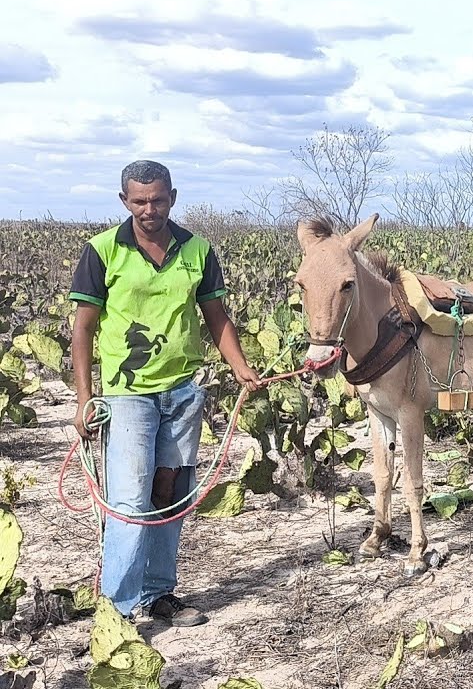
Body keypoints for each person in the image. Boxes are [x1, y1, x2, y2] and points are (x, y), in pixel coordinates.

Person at [69, 160, 262, 626]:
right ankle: (117, 608)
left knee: (170, 494)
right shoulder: (102, 251)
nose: (149, 208)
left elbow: (215, 315)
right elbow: (83, 329)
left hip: (182, 392)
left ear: (172, 197)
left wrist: (240, 368)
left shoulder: (198, 250)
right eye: (139, 200)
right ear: (124, 201)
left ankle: (159, 594)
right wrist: (83, 398)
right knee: (130, 500)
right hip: (127, 395)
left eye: (157, 199)